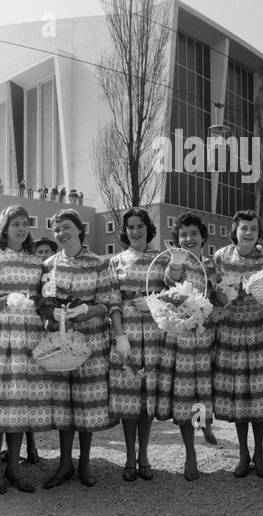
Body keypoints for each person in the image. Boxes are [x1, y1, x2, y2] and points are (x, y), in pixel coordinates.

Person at [39, 209, 119, 488]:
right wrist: (51, 314)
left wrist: (87, 309)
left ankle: (84, 463)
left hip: (92, 341)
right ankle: (64, 464)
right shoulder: (49, 264)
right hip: (62, 342)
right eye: (57, 229)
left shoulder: (98, 262)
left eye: (66, 227)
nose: (62, 233)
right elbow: (44, 303)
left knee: (86, 402)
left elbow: (108, 301)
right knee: (64, 403)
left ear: (79, 229)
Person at [212, 211, 263, 478]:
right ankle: (242, 454)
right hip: (232, 332)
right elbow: (214, 296)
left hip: (261, 330)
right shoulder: (221, 257)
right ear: (235, 231)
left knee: (258, 396)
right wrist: (223, 294)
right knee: (239, 396)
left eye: (253, 228)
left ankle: (260, 453)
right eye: (244, 228)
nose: (248, 233)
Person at [155, 213, 218, 481]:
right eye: (183, 234)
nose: (188, 239)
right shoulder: (175, 262)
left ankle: (203, 424)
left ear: (202, 237)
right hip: (180, 336)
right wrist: (176, 264)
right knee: (184, 394)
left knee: (201, 391)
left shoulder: (212, 266)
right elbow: (171, 278)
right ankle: (190, 453)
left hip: (204, 337)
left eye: (193, 234)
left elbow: (217, 296)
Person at [107, 208, 165, 482]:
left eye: (139, 226)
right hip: (127, 334)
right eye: (130, 227)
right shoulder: (116, 261)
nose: (135, 231)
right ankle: (130, 455)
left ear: (148, 228)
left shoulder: (160, 260)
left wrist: (154, 301)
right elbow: (112, 301)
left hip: (153, 335)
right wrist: (120, 337)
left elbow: (171, 296)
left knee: (146, 399)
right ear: (125, 231)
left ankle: (144, 455)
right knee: (130, 398)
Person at [0, 206, 47, 493]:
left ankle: (14, 467)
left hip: (26, 337)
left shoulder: (35, 262)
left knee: (17, 401)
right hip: (1, 332)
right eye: (14, 223)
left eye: (24, 224)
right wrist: (6, 298)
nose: (20, 228)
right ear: (4, 228)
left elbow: (43, 298)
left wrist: (36, 301)